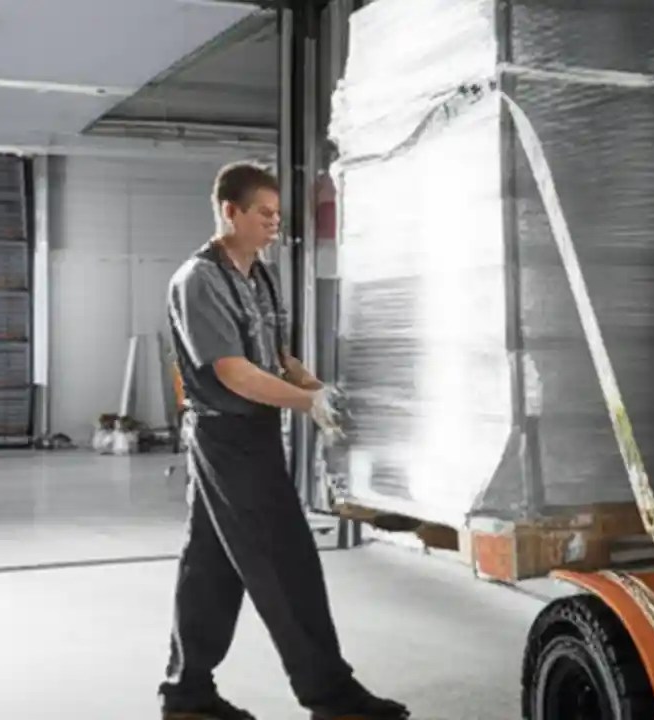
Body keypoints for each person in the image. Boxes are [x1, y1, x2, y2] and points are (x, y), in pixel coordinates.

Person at [159, 162, 409, 720]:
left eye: (277, 214)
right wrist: (307, 405)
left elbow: (275, 359)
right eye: (264, 213)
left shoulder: (261, 276)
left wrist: (316, 387)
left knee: (211, 565)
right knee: (287, 559)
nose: (275, 223)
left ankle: (187, 693)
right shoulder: (198, 281)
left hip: (258, 431)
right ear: (230, 211)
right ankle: (330, 695)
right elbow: (232, 372)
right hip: (227, 436)